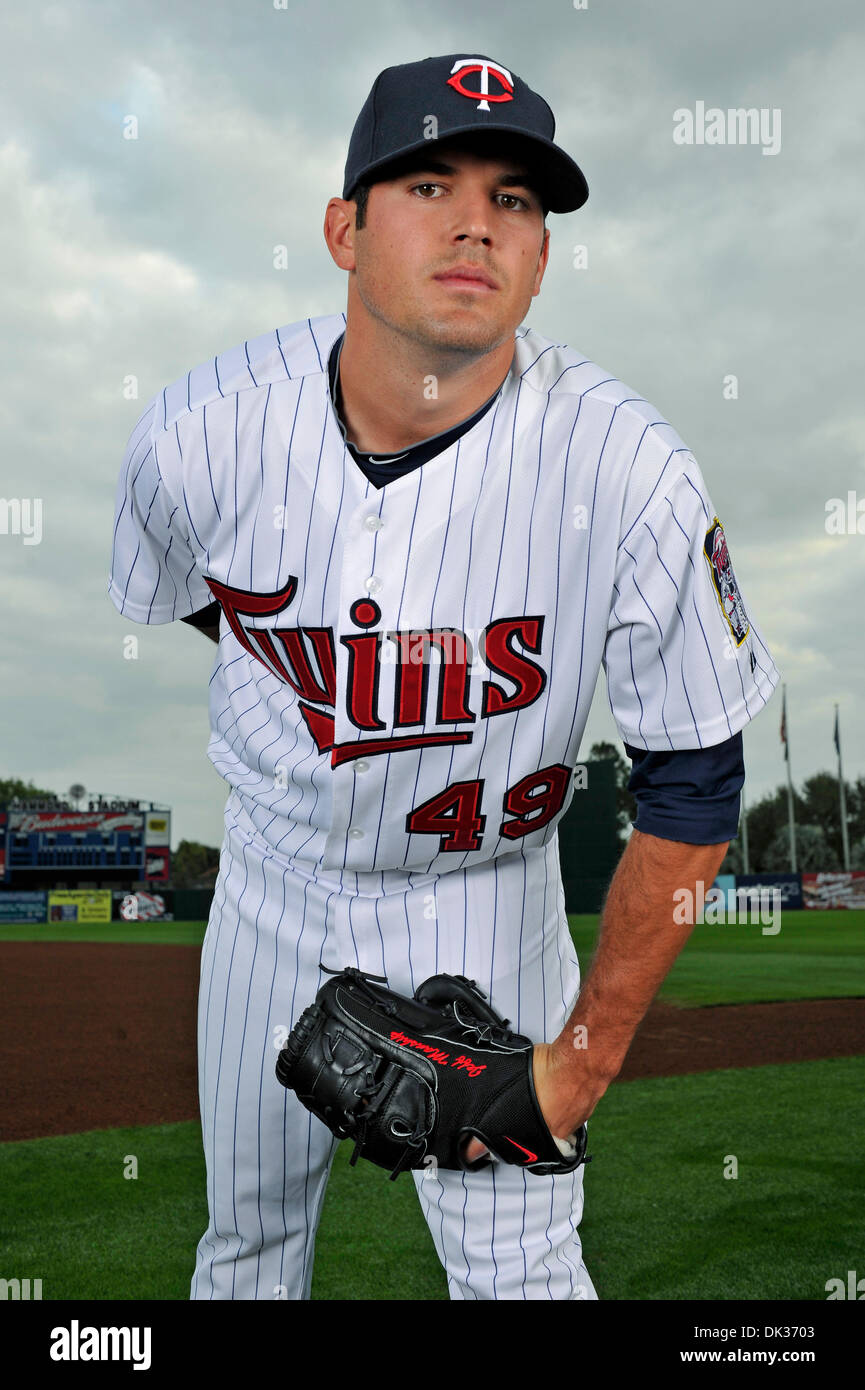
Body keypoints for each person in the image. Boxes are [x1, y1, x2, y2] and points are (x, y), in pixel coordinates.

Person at [108, 53, 779, 1301]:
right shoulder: (200, 433)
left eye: (517, 198)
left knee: (523, 1267)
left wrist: (571, 1068)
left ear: (539, 255)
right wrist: (346, 706)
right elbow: (200, 599)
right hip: (271, 882)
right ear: (342, 229)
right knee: (245, 1246)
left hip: (488, 897)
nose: (478, 219)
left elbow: (694, 785)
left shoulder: (626, 470)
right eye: (428, 180)